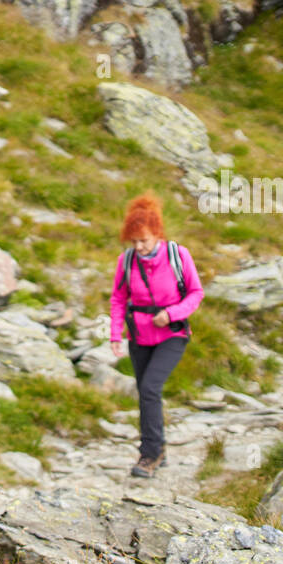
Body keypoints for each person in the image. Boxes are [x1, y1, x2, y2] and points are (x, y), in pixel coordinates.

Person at [108, 193, 204, 479]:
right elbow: (118, 297)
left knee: (150, 388)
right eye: (133, 241)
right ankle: (158, 448)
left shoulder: (177, 255)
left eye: (144, 241)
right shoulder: (126, 261)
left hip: (172, 335)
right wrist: (115, 334)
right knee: (146, 394)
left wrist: (173, 313)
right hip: (139, 336)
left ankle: (148, 454)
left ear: (157, 234)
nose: (138, 247)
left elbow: (196, 293)